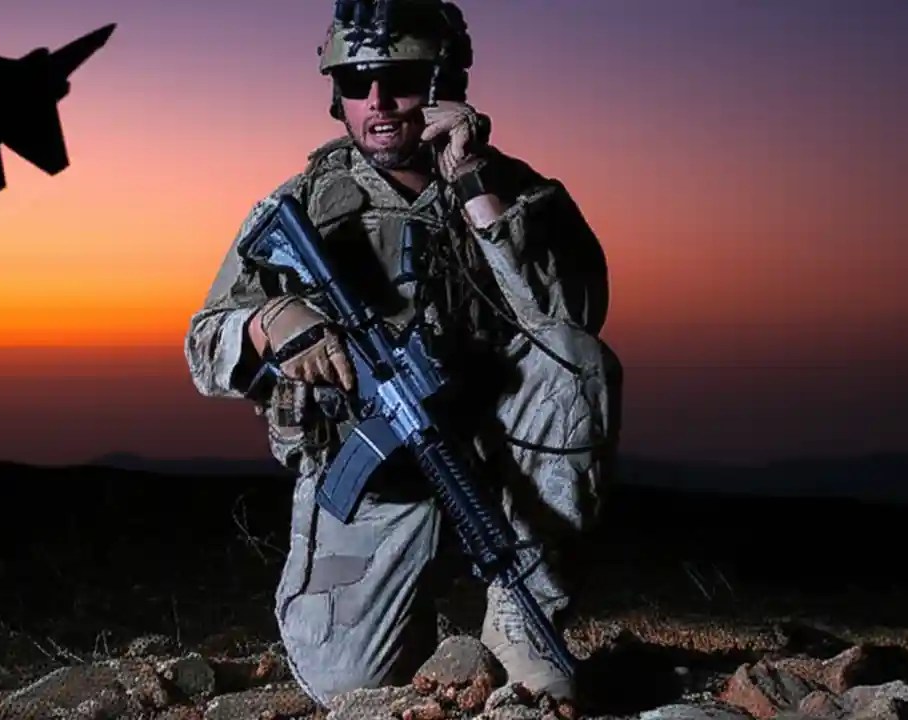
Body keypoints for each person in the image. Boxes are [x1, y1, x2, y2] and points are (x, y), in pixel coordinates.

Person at [183, 0, 622, 711]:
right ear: (337, 94)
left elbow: (571, 324)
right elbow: (203, 345)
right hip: (374, 463)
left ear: (446, 83)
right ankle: (423, 642)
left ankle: (521, 616)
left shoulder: (512, 190)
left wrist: (477, 190)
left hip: (490, 444)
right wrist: (270, 321)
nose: (379, 101)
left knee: (576, 361)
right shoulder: (300, 207)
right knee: (346, 684)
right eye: (357, 82)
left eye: (403, 78)